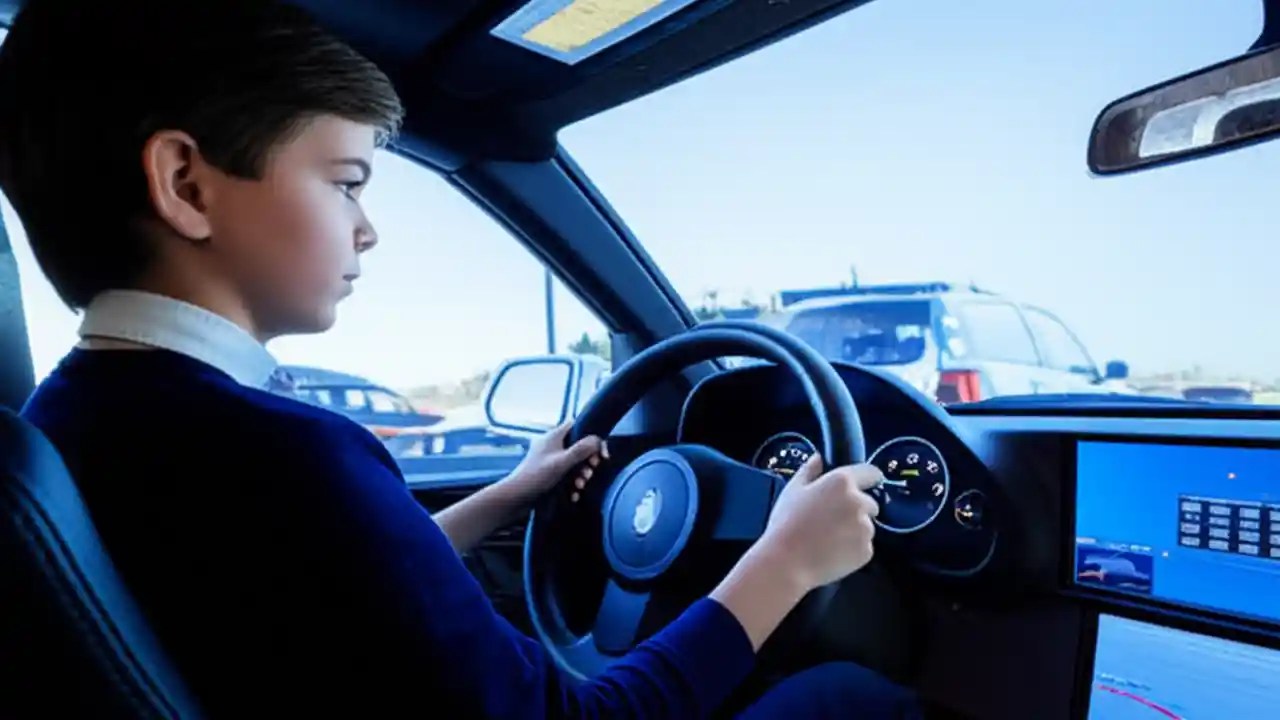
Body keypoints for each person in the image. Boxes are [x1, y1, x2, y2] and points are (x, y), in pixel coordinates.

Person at [0, 1, 920, 717]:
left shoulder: (75, 422)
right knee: (853, 698)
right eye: (345, 182)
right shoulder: (283, 452)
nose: (369, 228)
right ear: (185, 183)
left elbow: (330, 596)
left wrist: (508, 497)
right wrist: (788, 561)